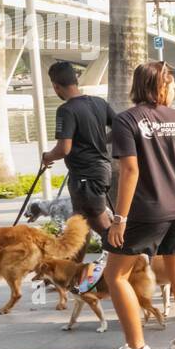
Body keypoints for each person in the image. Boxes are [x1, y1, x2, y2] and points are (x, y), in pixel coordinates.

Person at [101, 61, 175, 349]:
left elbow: (130, 170)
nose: (172, 91)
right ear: (159, 86)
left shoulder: (127, 120)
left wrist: (119, 218)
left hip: (146, 210)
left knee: (115, 276)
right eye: (170, 85)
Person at [41, 60, 116, 236]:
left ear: (55, 86)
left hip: (86, 177)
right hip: (100, 171)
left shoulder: (66, 110)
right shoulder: (99, 103)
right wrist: (102, 141)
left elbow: (64, 149)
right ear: (76, 80)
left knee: (102, 226)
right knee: (78, 226)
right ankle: (74, 264)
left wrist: (47, 157)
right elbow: (121, 127)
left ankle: (127, 260)